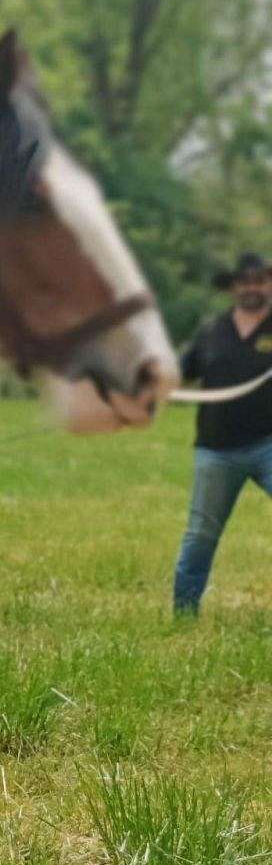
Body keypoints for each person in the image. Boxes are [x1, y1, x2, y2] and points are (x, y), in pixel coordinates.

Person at [173, 251, 272, 615]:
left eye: (259, 280)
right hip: (216, 450)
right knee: (201, 534)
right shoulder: (212, 331)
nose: (252, 287)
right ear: (234, 287)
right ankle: (183, 613)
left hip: (268, 444)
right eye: (244, 281)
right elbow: (180, 374)